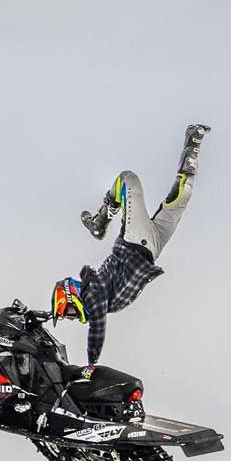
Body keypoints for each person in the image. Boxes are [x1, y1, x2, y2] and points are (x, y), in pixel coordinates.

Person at [49, 123, 209, 370]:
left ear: (70, 295)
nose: (76, 317)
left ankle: (100, 222)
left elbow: (97, 329)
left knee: (128, 179)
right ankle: (193, 143)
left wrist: (91, 365)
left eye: (69, 312)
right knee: (182, 195)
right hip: (153, 250)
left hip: (134, 241)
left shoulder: (94, 293)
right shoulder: (102, 300)